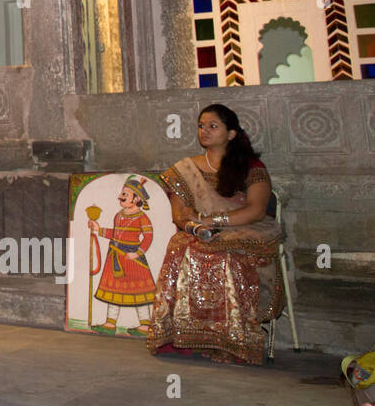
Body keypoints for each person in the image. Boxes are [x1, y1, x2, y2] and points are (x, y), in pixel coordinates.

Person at [147, 104, 283, 364]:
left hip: (244, 229)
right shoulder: (185, 168)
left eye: (213, 126)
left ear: (231, 133)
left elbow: (256, 211)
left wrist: (213, 220)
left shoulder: (251, 167)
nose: (204, 131)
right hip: (201, 231)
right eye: (201, 126)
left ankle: (232, 340)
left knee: (226, 254)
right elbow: (179, 214)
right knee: (179, 245)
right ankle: (182, 337)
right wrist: (196, 227)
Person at [87, 175, 156, 334]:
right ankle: (110, 324)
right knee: (113, 291)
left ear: (136, 198)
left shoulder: (142, 218)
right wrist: (98, 229)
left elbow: (148, 237)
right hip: (115, 257)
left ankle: (145, 325)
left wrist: (137, 253)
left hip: (132, 258)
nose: (120, 196)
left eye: (125, 194)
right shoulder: (119, 215)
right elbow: (116, 234)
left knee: (139, 292)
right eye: (121, 193)